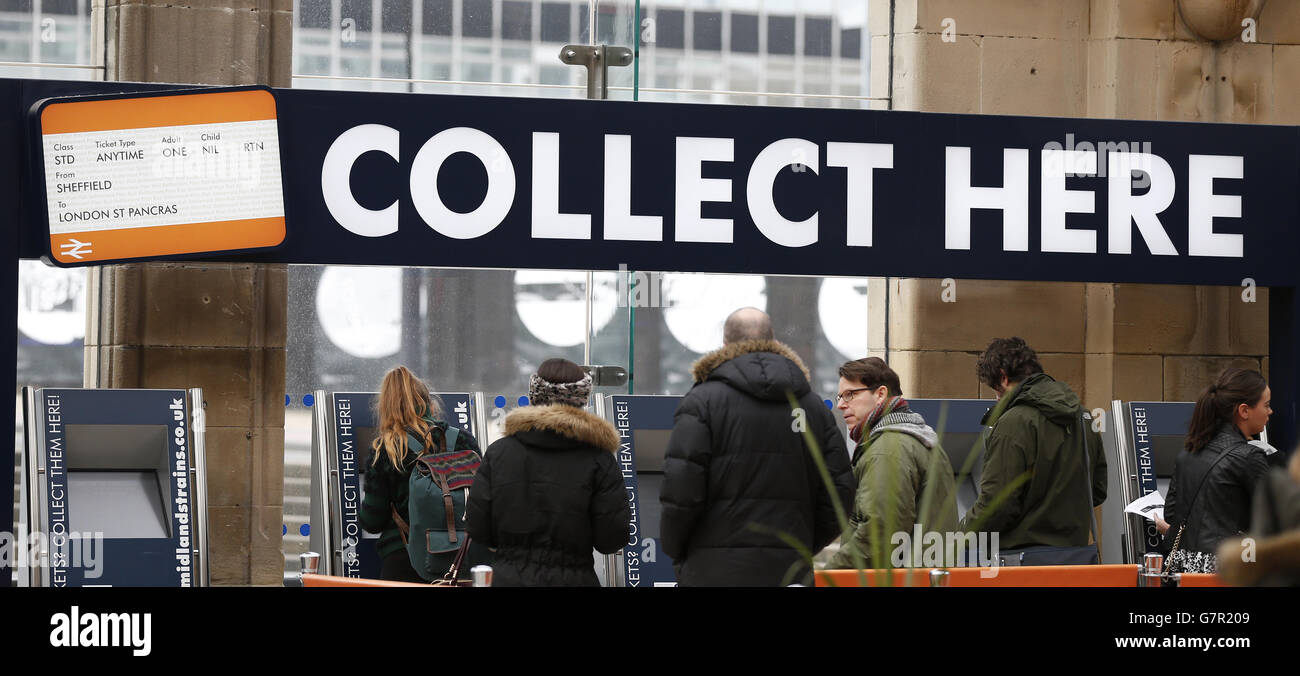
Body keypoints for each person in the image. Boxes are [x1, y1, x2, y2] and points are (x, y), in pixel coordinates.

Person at [660, 307, 855, 586]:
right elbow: (840, 493)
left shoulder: (702, 402)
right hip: (788, 572)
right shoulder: (812, 407)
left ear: (725, 345)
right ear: (774, 342)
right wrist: (800, 546)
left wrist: (679, 552)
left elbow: (681, 490)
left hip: (712, 572)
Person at [465, 358, 630, 586]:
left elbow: (478, 528)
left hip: (509, 580)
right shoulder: (599, 460)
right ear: (581, 400)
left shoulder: (499, 453)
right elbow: (612, 538)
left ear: (534, 396)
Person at [959, 337, 1107, 557]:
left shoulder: (1013, 422)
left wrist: (959, 532)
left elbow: (997, 506)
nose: (997, 398)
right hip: (1074, 560)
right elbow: (1097, 490)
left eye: (995, 390)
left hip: (1025, 564)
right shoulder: (1084, 417)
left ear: (1003, 376)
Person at [826, 357, 957, 569]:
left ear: (880, 394)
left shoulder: (887, 449)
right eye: (840, 396)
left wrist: (828, 575)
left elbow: (880, 534)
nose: (841, 405)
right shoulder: (917, 438)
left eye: (850, 394)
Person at [359, 365, 484, 582]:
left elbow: (372, 520)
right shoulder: (463, 441)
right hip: (460, 558)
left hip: (403, 559)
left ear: (385, 407)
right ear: (429, 403)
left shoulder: (386, 449)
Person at [1154, 367, 1272, 573]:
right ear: (1244, 411)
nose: (1270, 412)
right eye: (1267, 405)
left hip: (1183, 569)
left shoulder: (1188, 453)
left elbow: (1171, 514)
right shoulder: (1249, 457)